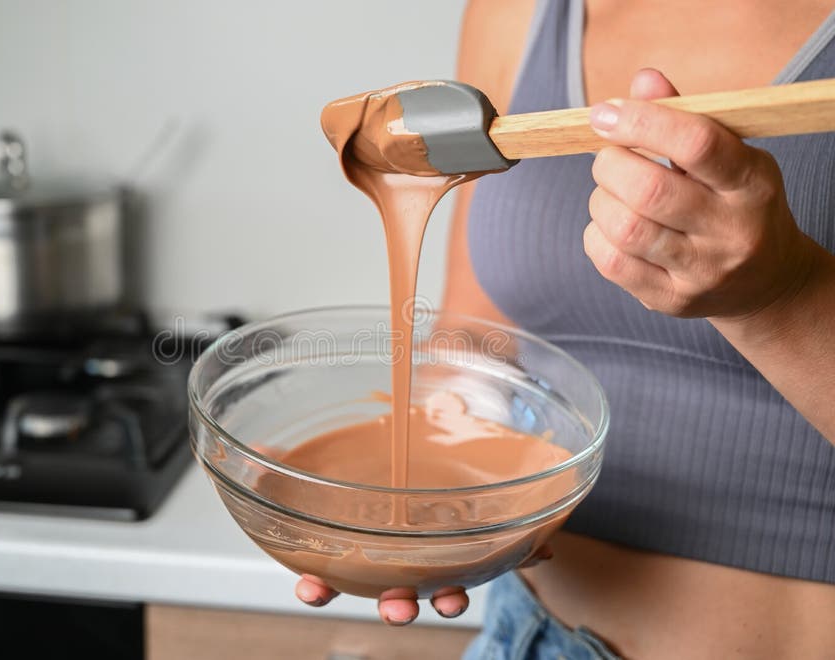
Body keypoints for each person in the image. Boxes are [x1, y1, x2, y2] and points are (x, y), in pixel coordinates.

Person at [294, 0, 835, 657]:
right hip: (530, 636)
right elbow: (479, 335)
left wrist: (782, 298)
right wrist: (435, 497)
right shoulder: (514, 11)